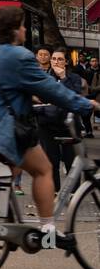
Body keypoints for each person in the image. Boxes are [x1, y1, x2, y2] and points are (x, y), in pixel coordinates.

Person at [0, 7, 95, 236]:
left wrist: (26, 94)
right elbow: (52, 89)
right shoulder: (20, 56)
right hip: (0, 128)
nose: (24, 30)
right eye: (21, 26)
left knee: (6, 171)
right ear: (12, 30)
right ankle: (49, 230)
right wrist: (84, 105)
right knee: (43, 170)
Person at [40, 49, 89, 190]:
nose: (56, 62)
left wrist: (63, 78)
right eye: (54, 59)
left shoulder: (73, 78)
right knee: (51, 161)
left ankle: (73, 193)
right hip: (48, 124)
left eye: (60, 59)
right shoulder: (44, 77)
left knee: (71, 161)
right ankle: (54, 191)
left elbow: (74, 96)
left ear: (66, 62)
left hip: (69, 124)